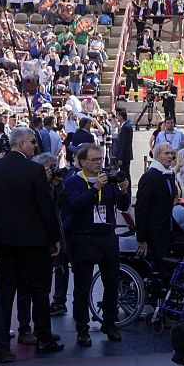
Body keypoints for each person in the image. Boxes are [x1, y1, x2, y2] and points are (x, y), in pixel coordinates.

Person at [0, 126, 63, 356]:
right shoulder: (34, 170)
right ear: (20, 144)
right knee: (39, 290)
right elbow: (45, 206)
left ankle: (1, 346)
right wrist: (54, 238)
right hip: (33, 241)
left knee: (5, 293)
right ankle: (44, 339)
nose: (35, 146)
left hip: (4, 240)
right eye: (31, 142)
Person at [63, 143, 130, 346]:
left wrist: (124, 191)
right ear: (82, 162)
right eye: (94, 160)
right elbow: (75, 205)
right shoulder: (74, 182)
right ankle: (82, 328)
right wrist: (94, 189)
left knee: (111, 284)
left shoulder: (108, 181)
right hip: (84, 238)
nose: (99, 163)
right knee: (82, 287)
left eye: (101, 159)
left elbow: (123, 206)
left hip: (107, 238)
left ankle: (109, 323)